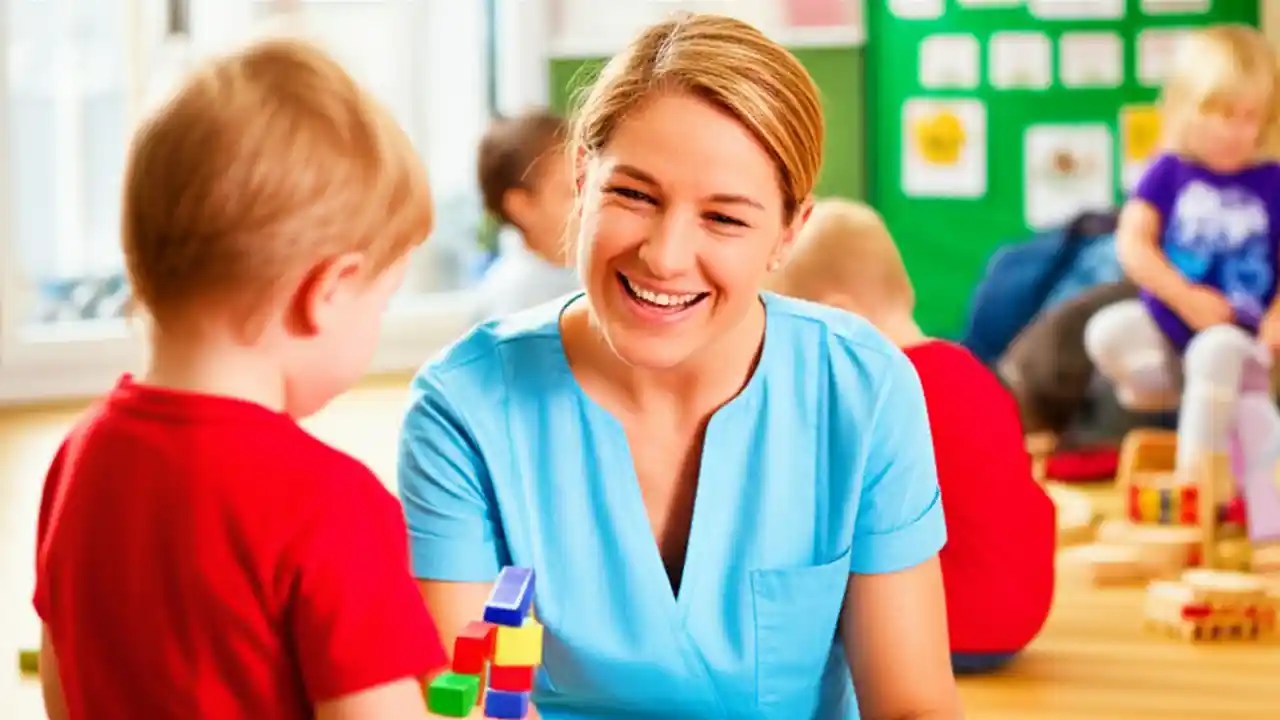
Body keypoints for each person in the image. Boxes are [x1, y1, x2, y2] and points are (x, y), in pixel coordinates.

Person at [399, 13, 961, 719]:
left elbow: (912, 705)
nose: (664, 256)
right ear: (581, 178)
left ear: (789, 232)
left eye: (724, 218)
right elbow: (469, 703)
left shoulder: (862, 389)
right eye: (634, 195)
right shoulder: (463, 408)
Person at [33, 37, 451, 720]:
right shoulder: (332, 506)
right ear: (329, 290)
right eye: (381, 301)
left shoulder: (78, 458)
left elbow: (64, 687)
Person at [770, 199, 1055, 675]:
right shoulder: (975, 372)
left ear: (840, 316)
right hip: (1020, 616)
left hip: (942, 629)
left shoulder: (876, 391)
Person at [1084, 24, 1280, 494]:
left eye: (1248, 117)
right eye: (1218, 114)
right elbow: (1133, 243)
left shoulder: (1271, 180)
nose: (1234, 131)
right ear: (1185, 110)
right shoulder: (1168, 171)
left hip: (1241, 338)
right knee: (1107, 329)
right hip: (1174, 327)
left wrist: (1276, 318)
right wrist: (1184, 296)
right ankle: (1169, 394)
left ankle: (1197, 488)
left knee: (1215, 352)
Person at [474, 109, 580, 319]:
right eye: (571, 192)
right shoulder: (514, 298)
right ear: (522, 207)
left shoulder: (583, 274)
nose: (588, 203)